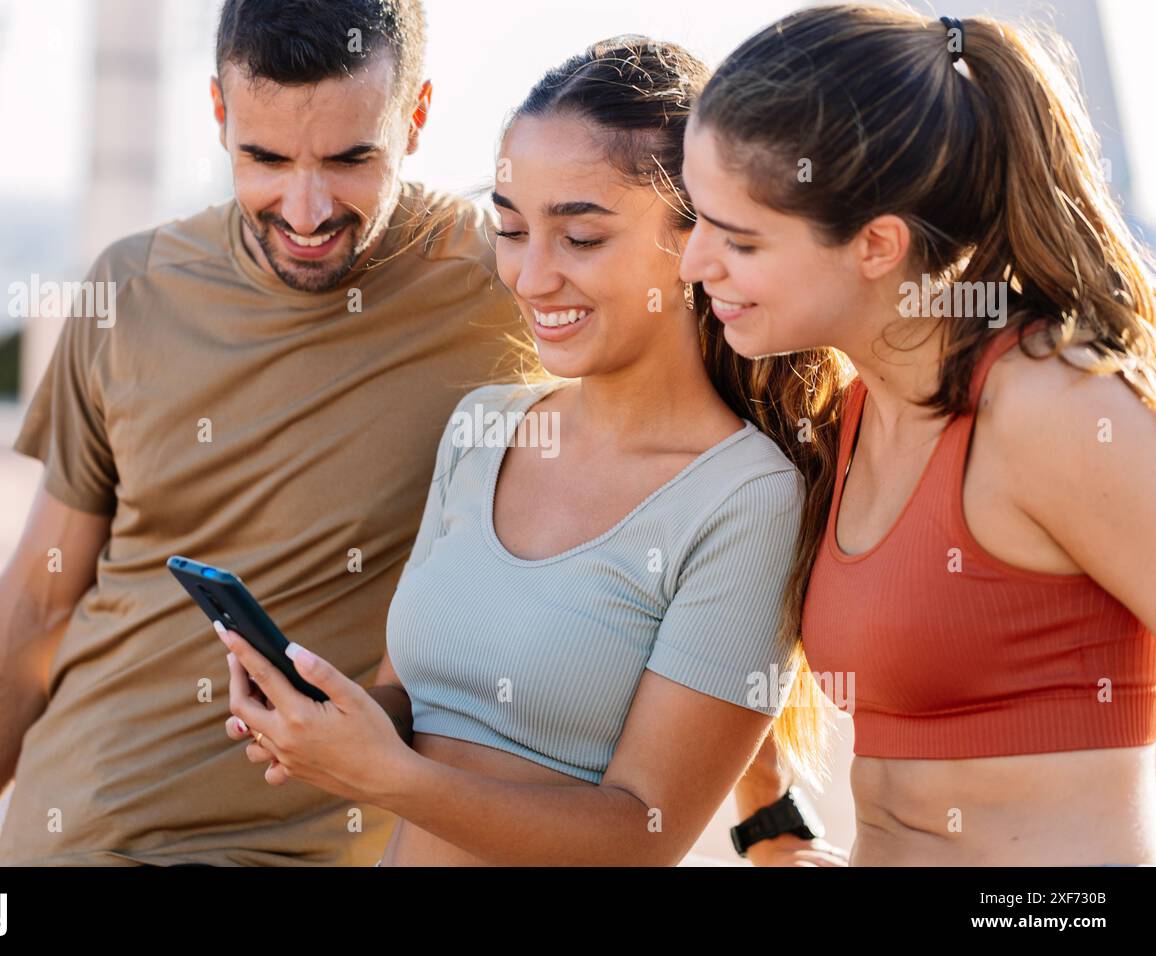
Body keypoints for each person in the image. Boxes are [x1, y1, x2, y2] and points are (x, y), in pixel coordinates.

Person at [0, 0, 523, 867]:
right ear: (219, 114)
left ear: (415, 118)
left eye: (351, 159)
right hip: (72, 836)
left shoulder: (508, 285)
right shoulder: (131, 288)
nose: (306, 210)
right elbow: (37, 597)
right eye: (265, 158)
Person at [218, 36, 850, 866]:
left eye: (580, 238)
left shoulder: (746, 498)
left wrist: (385, 776)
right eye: (512, 229)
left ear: (698, 241)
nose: (530, 275)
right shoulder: (483, 427)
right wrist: (326, 719)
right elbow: (414, 701)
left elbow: (642, 833)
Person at [679, 3, 1156, 865]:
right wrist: (771, 832)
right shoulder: (852, 416)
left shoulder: (1049, 406)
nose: (694, 263)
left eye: (739, 240)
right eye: (698, 219)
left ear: (877, 246)